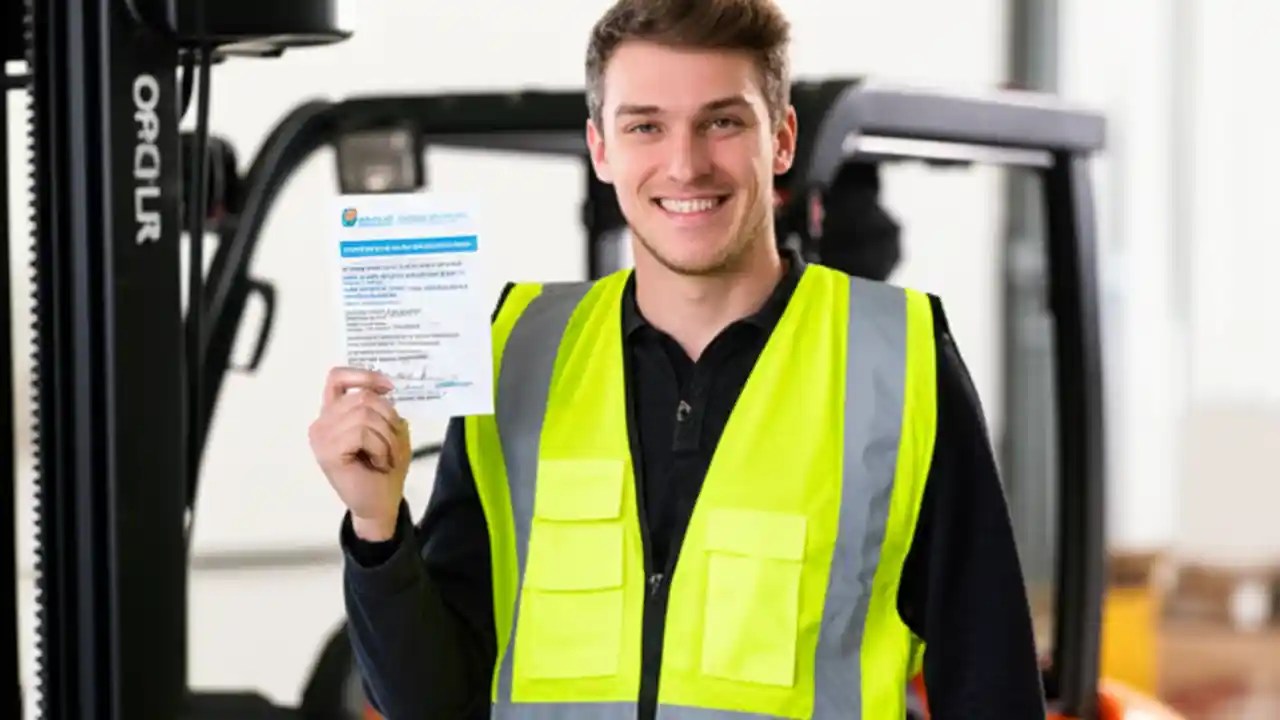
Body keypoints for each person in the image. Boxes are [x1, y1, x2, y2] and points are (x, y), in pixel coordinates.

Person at [309, 1, 1046, 717]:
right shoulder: (516, 353)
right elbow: (432, 701)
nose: (685, 165)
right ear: (602, 147)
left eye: (722, 122)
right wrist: (377, 524)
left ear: (781, 139)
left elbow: (991, 687)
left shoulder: (899, 359)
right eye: (645, 127)